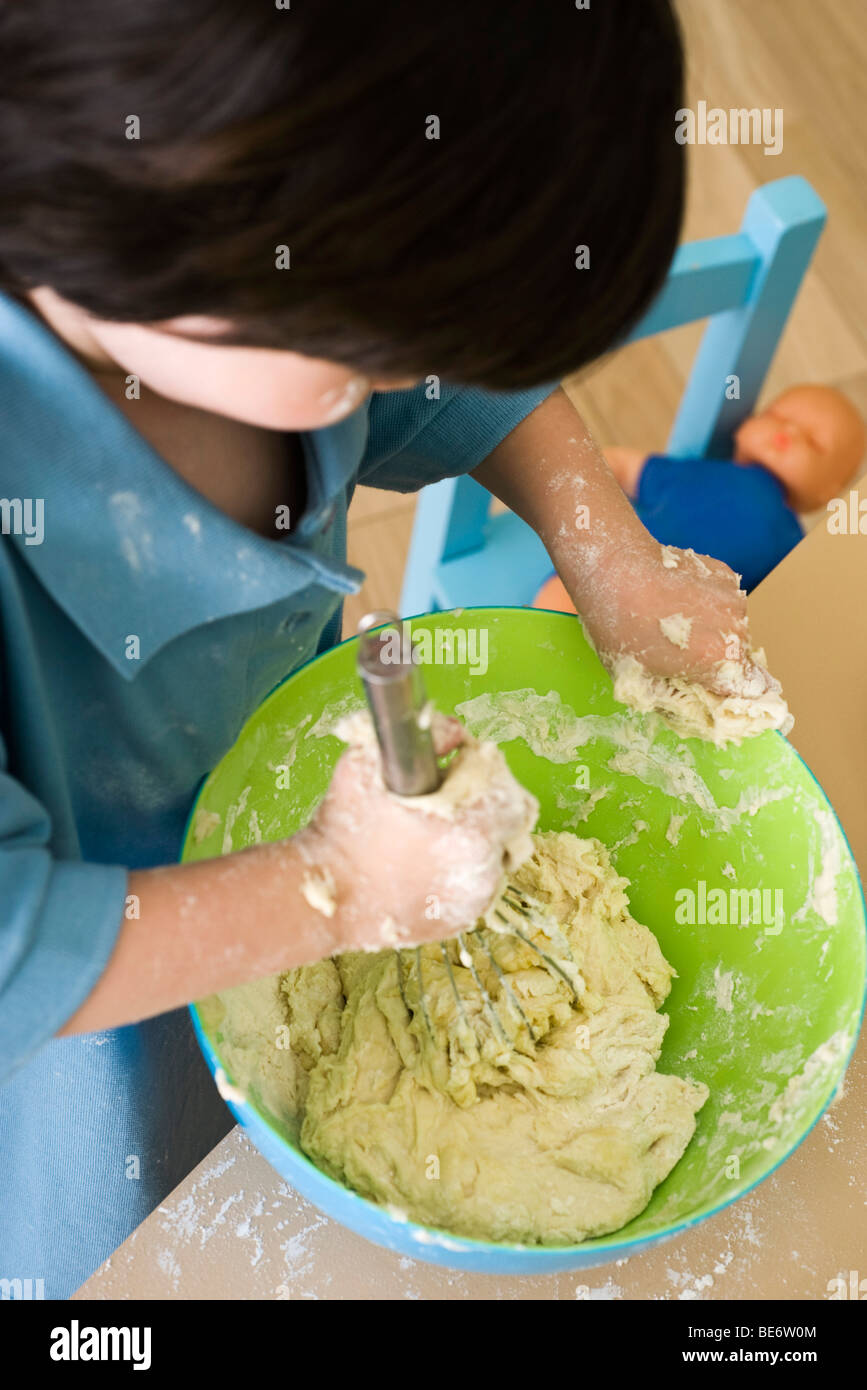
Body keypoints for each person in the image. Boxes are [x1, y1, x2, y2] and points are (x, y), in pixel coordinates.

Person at [0, 0, 765, 1295]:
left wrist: (609, 551)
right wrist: (336, 887)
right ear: (143, 213)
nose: (402, 384)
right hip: (86, 1035)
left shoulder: (253, 297)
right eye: (371, 358)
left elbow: (464, 383)